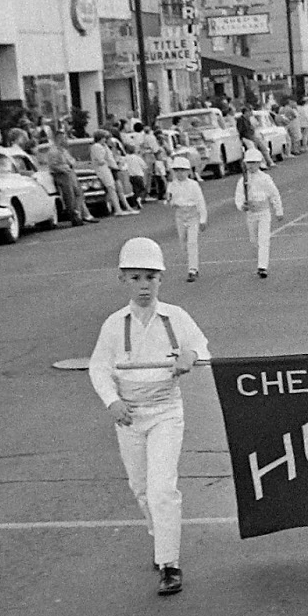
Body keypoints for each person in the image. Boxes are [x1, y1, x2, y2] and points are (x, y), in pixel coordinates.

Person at [88, 237, 211, 597]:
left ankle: (170, 564)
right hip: (128, 415)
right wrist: (111, 400)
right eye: (136, 278)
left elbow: (203, 349)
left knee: (162, 489)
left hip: (165, 411)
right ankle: (160, 538)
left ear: (161, 280)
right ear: (123, 279)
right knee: (140, 489)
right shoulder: (114, 325)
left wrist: (189, 356)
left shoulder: (176, 317)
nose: (144, 286)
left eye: (151, 278)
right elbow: (98, 367)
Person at [233, 146, 283, 277]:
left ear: (259, 163)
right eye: (249, 163)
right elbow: (239, 196)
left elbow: (274, 194)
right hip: (251, 214)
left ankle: (262, 266)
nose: (251, 166)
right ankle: (261, 260)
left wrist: (278, 210)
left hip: (264, 212)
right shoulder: (243, 180)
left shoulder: (265, 178)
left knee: (263, 239)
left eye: (254, 163)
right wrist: (241, 206)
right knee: (254, 240)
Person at [165, 155, 207, 281]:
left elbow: (200, 202)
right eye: (177, 171)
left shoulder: (193, 185)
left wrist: (203, 219)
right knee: (183, 243)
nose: (180, 173)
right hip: (180, 215)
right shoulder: (172, 185)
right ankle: (191, 264)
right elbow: (169, 201)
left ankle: (193, 269)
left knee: (192, 242)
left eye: (183, 170)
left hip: (192, 214)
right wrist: (170, 202)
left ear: (188, 171)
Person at [89, 131, 124, 215]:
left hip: (106, 168)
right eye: (104, 137)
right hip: (102, 169)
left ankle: (115, 208)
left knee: (111, 188)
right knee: (111, 188)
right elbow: (100, 160)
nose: (105, 139)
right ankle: (117, 209)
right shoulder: (96, 147)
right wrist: (108, 162)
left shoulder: (102, 146)